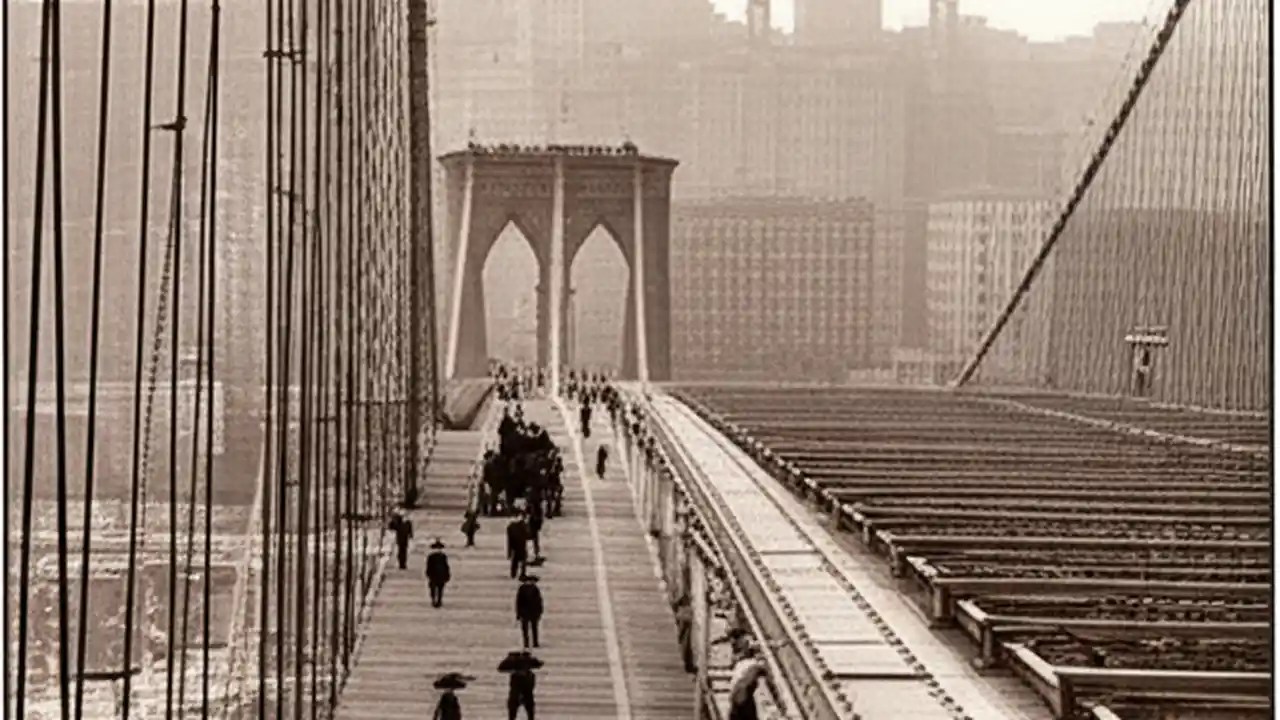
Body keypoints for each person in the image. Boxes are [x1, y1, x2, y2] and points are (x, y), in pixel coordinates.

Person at [515, 575, 543, 649]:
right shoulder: (532, 589)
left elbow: (518, 602)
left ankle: (530, 642)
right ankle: (531, 642)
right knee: (531, 628)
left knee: (529, 628)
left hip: (529, 611)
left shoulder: (528, 589)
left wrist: (518, 613)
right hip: (529, 611)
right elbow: (539, 601)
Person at [426, 539, 451, 608]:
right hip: (439, 575)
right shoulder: (442, 556)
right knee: (439, 588)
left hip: (435, 575)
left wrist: (428, 573)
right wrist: (447, 574)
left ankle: (436, 600)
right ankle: (438, 600)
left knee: (435, 588)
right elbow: (446, 566)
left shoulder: (432, 556)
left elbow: (428, 566)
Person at [506, 515, 530, 580]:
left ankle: (513, 573)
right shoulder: (523, 526)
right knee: (523, 559)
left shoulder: (511, 526)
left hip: (515, 545)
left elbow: (509, 541)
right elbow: (528, 535)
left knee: (515, 560)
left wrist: (509, 552)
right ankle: (522, 573)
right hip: (521, 545)